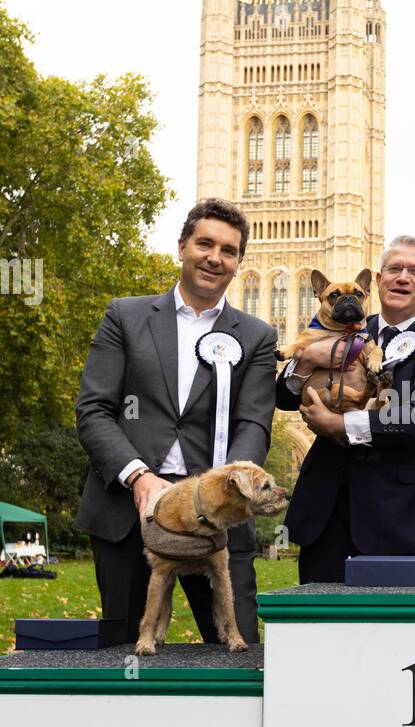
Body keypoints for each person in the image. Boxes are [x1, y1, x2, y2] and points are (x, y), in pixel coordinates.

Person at [75, 199, 278, 644]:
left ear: (238, 262)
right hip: (129, 517)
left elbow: (253, 424)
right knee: (126, 654)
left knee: (236, 651)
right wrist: (138, 477)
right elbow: (93, 410)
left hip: (217, 519)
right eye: (205, 244)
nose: (214, 257)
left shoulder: (258, 337)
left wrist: (226, 489)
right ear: (182, 246)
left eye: (228, 250)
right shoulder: (125, 317)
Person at [278, 235, 415, 582]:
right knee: (323, 627)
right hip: (328, 515)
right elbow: (284, 398)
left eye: (414, 271)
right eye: (393, 269)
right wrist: (306, 363)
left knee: (405, 630)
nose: (402, 277)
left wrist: (339, 425)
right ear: (378, 281)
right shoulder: (338, 327)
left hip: (402, 521)